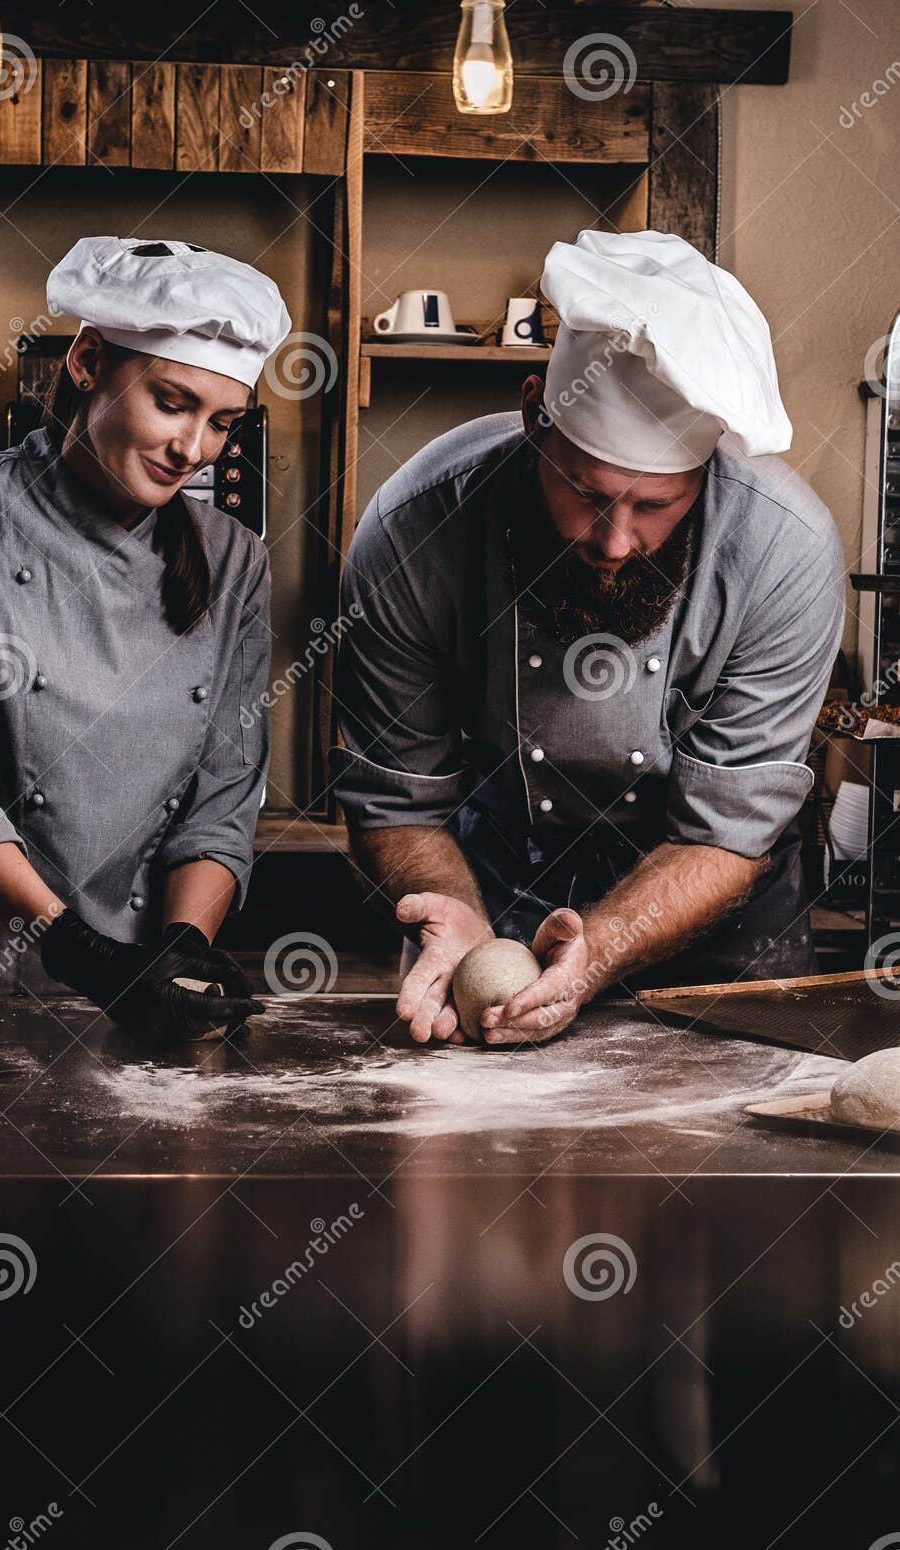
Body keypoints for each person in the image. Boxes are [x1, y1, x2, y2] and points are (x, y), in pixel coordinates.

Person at [333, 229, 844, 1046]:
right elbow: (398, 795)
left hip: (724, 937)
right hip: (491, 909)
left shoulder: (784, 551)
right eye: (585, 490)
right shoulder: (415, 527)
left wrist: (598, 948)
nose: (613, 541)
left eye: (656, 507)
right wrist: (458, 922)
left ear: (706, 477)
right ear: (535, 416)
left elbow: (727, 829)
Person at [0, 237, 289, 1036]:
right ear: (89, 360)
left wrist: (177, 948)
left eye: (222, 424)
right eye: (172, 403)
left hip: (136, 981)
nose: (193, 449)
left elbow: (224, 796)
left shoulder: (234, 559)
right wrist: (80, 954)